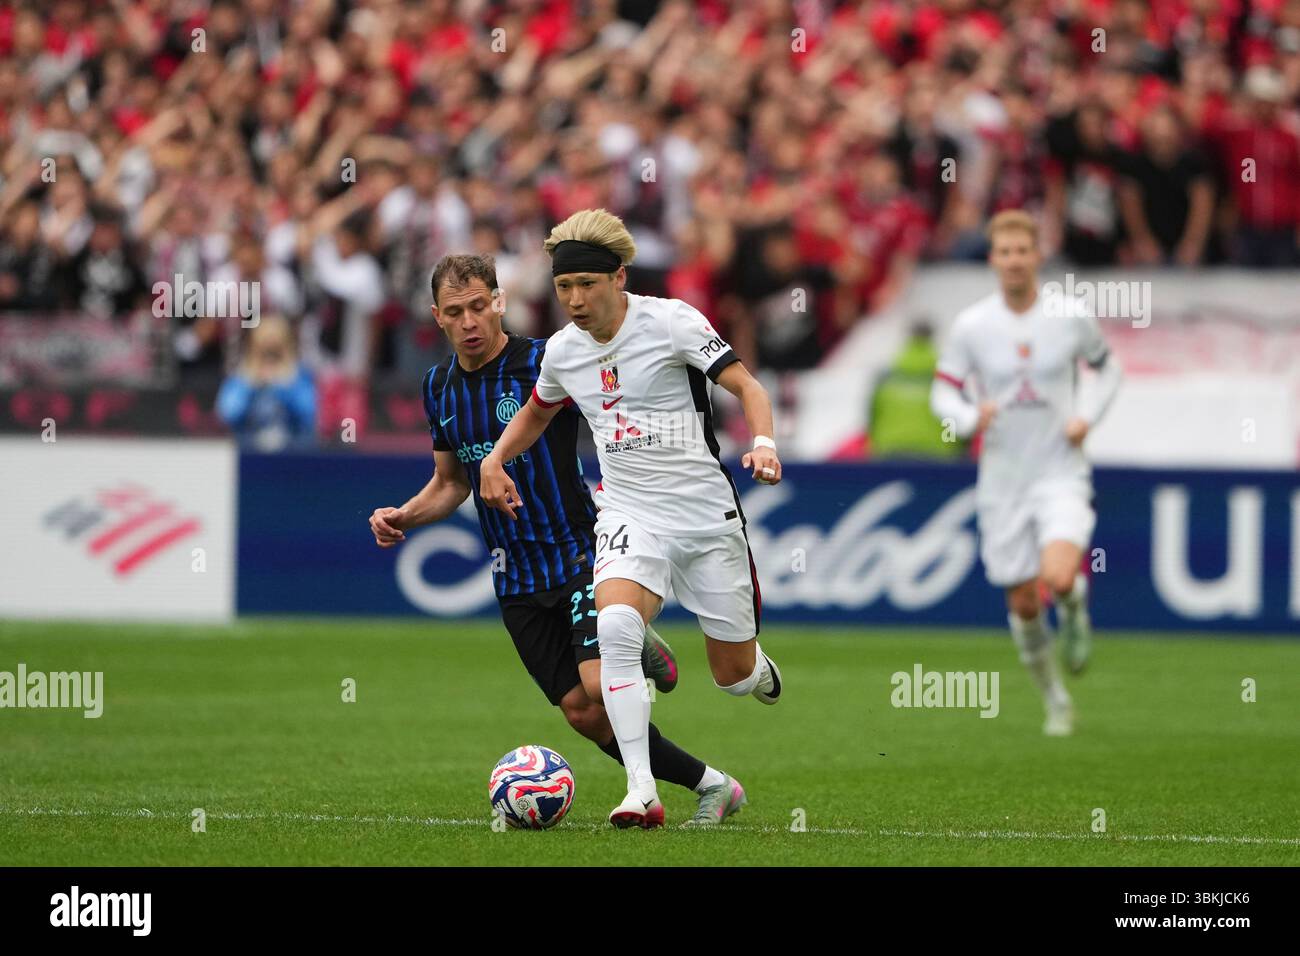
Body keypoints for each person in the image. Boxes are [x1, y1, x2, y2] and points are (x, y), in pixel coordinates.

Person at [368, 253, 743, 826]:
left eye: (478, 306)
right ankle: (713, 784)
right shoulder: (438, 386)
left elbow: (623, 392)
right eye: (454, 312)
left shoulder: (548, 359)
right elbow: (451, 482)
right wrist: (405, 516)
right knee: (581, 713)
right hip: (514, 575)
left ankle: (630, 633)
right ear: (436, 318)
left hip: (577, 552)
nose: (469, 321)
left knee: (597, 682)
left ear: (498, 302)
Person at [478, 209, 783, 829]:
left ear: (619, 278)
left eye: (587, 284)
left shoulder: (671, 322)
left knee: (732, 676)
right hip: (627, 511)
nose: (575, 299)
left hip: (703, 515)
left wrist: (765, 443)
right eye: (564, 288)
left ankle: (757, 669)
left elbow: (748, 386)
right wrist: (496, 458)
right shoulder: (563, 350)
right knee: (615, 624)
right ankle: (641, 790)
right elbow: (538, 411)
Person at [929, 210, 1123, 736]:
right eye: (1005, 252)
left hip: (1060, 470)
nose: (1014, 260)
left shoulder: (1068, 316)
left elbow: (1108, 368)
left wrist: (1088, 417)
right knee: (1020, 601)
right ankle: (1055, 699)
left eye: (1023, 251)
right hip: (1003, 479)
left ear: (1038, 255)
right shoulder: (973, 325)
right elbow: (942, 390)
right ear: (993, 259)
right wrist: (970, 417)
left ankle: (1075, 605)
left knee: (1057, 576)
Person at [216, 314, 317, 452]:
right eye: (265, 348)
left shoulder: (299, 377)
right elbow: (227, 413)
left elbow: (309, 413)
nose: (270, 354)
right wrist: (251, 386)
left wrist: (284, 388)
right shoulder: (240, 378)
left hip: (292, 453)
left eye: (275, 348)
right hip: (247, 454)